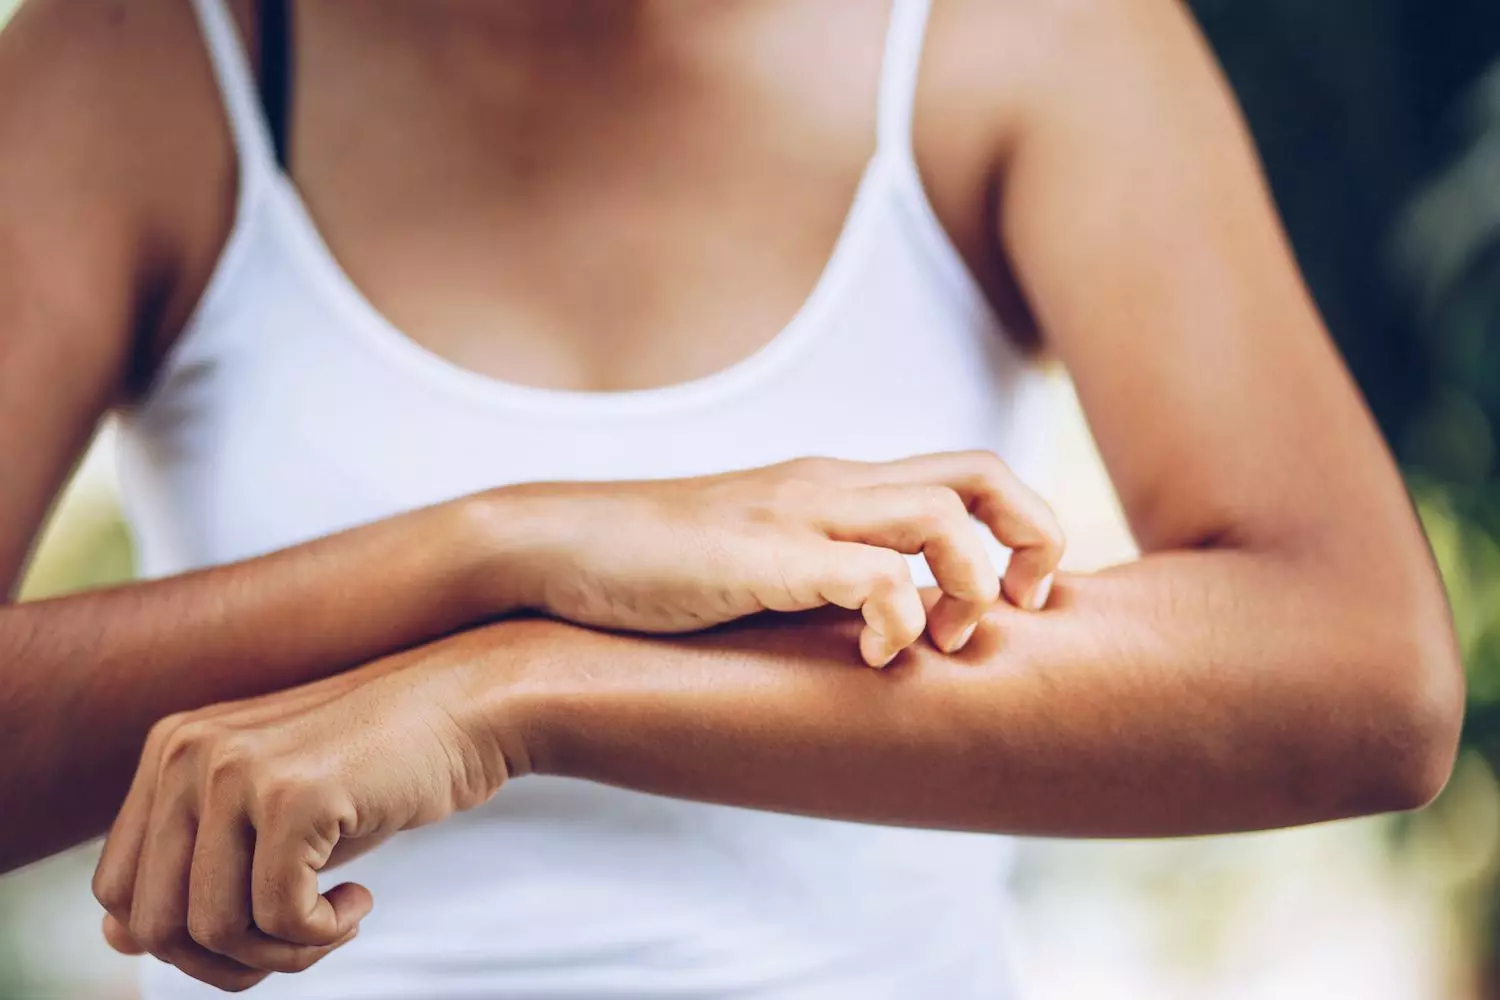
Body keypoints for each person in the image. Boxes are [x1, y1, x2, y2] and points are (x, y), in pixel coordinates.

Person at [0, 0, 1464, 996]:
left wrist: (521, 688)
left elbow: (1356, 670)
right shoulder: (138, 59)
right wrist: (499, 548)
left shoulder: (1016, 34)